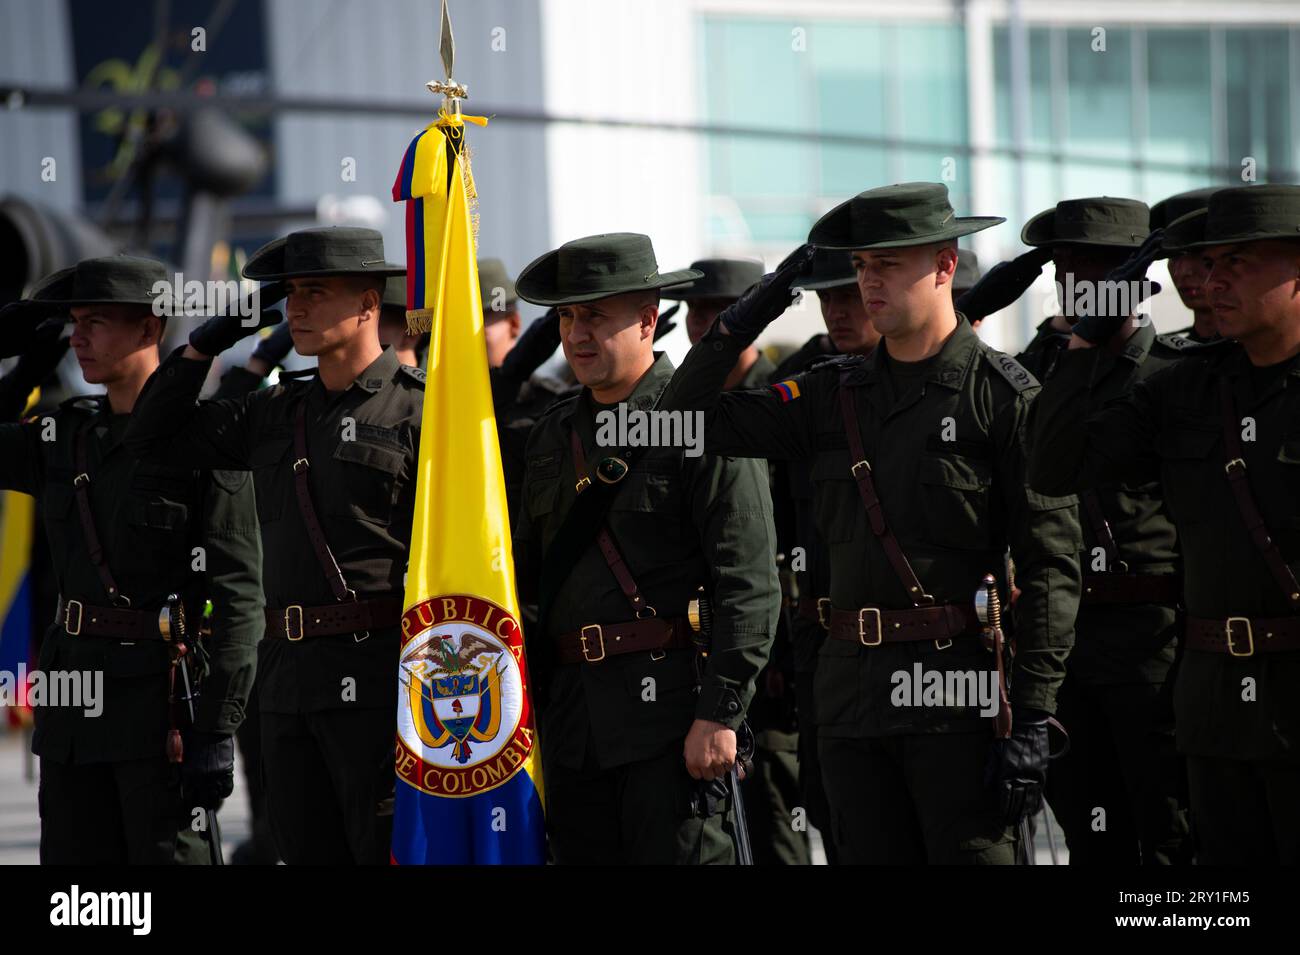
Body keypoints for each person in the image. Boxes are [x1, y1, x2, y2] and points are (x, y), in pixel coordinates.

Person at [657, 182, 1083, 864]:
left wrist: (1033, 715)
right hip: (850, 706)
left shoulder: (1002, 399)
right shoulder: (831, 392)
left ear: (945, 266)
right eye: (859, 266)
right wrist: (755, 308)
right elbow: (680, 419)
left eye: (887, 263)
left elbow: (1052, 566)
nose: (867, 280)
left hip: (960, 706)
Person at [123, 227, 422, 865]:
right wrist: (207, 343)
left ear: (369, 305)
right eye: (290, 294)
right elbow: (151, 438)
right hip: (284, 685)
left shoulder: (419, 413)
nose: (297, 309)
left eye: (315, 292)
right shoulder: (275, 412)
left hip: (378, 684)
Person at [1028, 183, 1300, 865]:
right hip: (1212, 703)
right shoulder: (1185, 388)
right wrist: (1088, 331)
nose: (1212, 280)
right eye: (1209, 263)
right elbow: (1055, 466)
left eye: (1239, 261)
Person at [511, 232, 779, 864]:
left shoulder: (704, 423)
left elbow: (749, 580)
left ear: (648, 318)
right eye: (568, 316)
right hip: (575, 729)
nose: (577, 333)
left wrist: (721, 713)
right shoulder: (549, 435)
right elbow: (527, 580)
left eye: (596, 315)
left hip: (673, 725)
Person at [0, 255, 262, 864]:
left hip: (161, 714)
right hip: (72, 712)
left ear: (150, 330)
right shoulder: (65, 435)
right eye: (74, 323)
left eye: (97, 322)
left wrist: (217, 730)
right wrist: (19, 374)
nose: (79, 338)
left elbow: (239, 596)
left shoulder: (203, 442)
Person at [986, 196, 1192, 863]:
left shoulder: (1176, 375)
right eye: (1066, 268)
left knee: (1167, 829)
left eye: (1100, 270)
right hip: (1062, 644)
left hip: (1151, 641)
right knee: (1085, 825)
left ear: (1139, 279)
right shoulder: (1035, 374)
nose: (1079, 284)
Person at [1150, 187, 1221, 344]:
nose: (1182, 271)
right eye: (1173, 256)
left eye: (1198, 253)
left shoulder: (1266, 357)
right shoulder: (1158, 358)